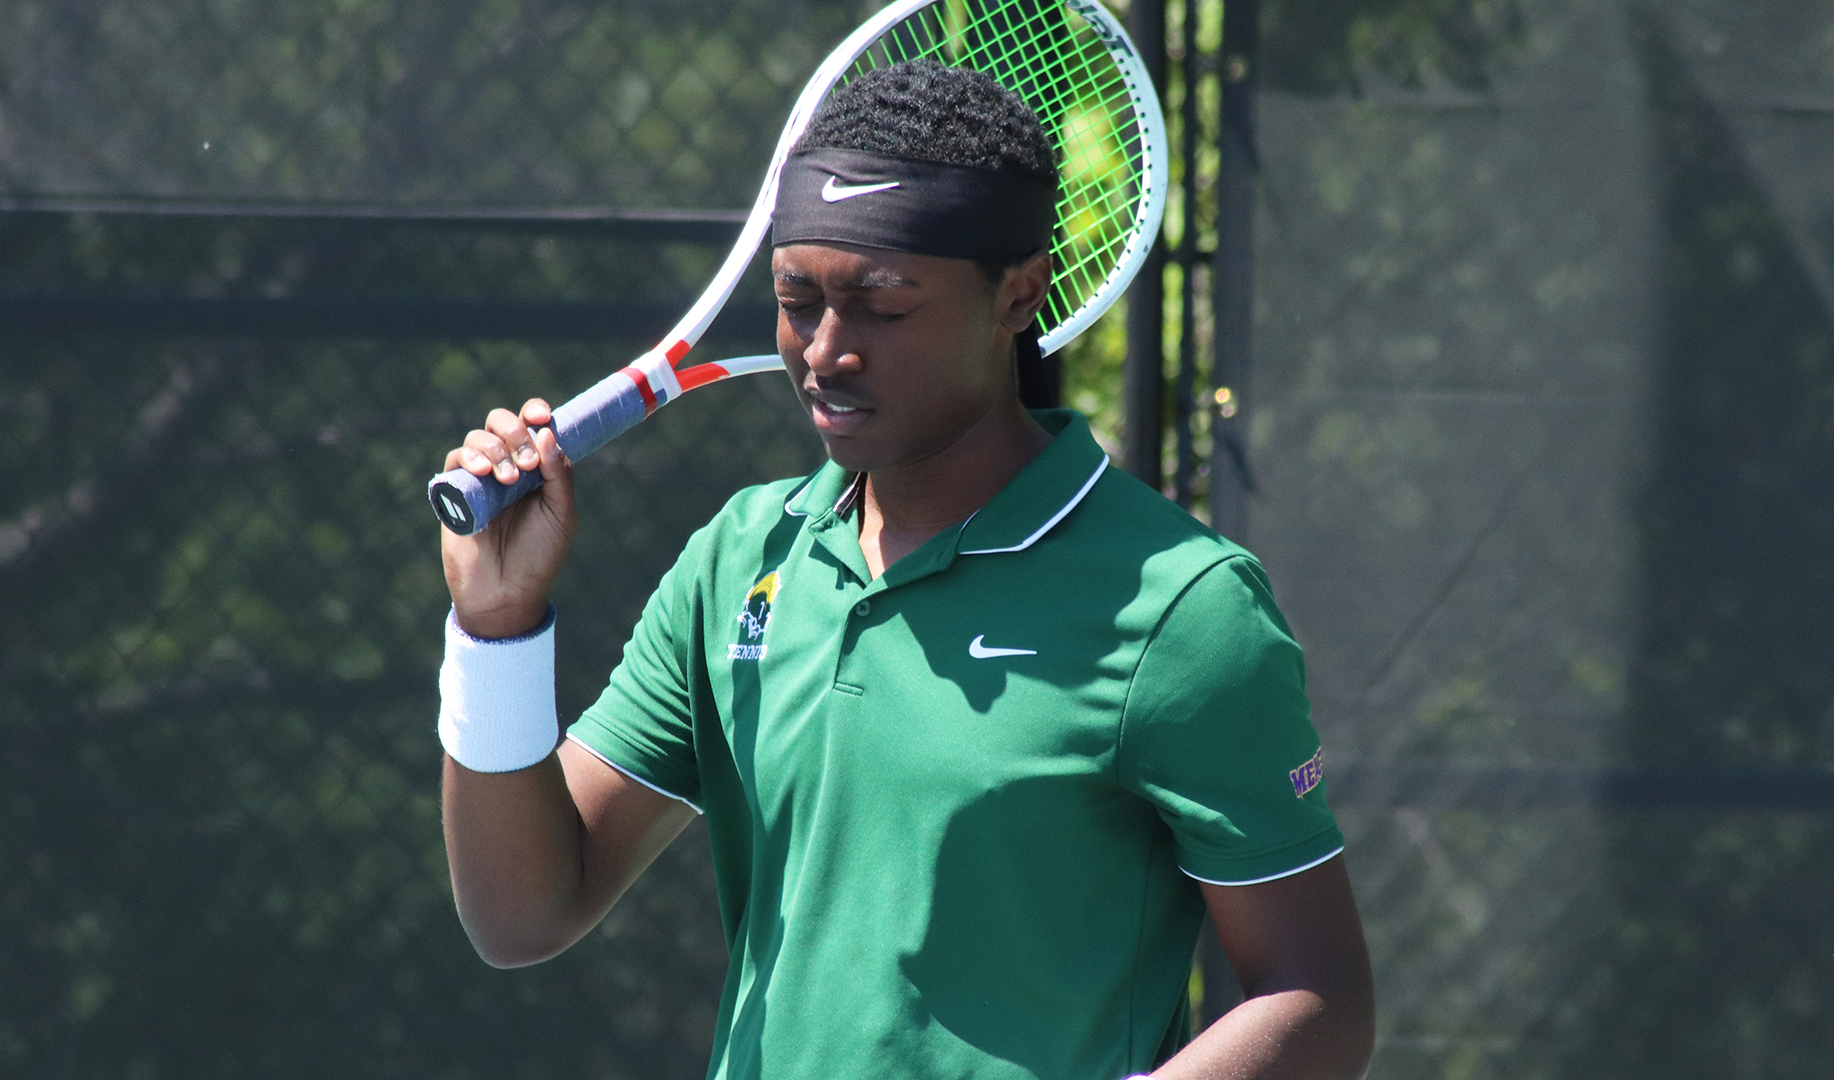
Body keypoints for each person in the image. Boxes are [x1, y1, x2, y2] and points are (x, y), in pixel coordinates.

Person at [435, 60, 1373, 1080]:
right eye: (798, 298)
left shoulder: (1183, 608)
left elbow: (1316, 999)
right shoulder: (740, 559)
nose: (827, 350)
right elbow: (522, 913)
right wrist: (496, 625)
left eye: (884, 303)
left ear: (1019, 294)